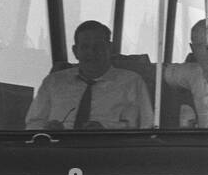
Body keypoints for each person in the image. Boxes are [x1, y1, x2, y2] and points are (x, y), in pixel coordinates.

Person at [25, 20, 154, 130]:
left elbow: (147, 127)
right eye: (85, 47)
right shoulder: (53, 82)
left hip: (109, 152)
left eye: (98, 46)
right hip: (57, 150)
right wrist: (47, 128)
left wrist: (105, 130)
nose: (92, 52)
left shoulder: (132, 82)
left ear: (110, 48)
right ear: (76, 51)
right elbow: (32, 124)